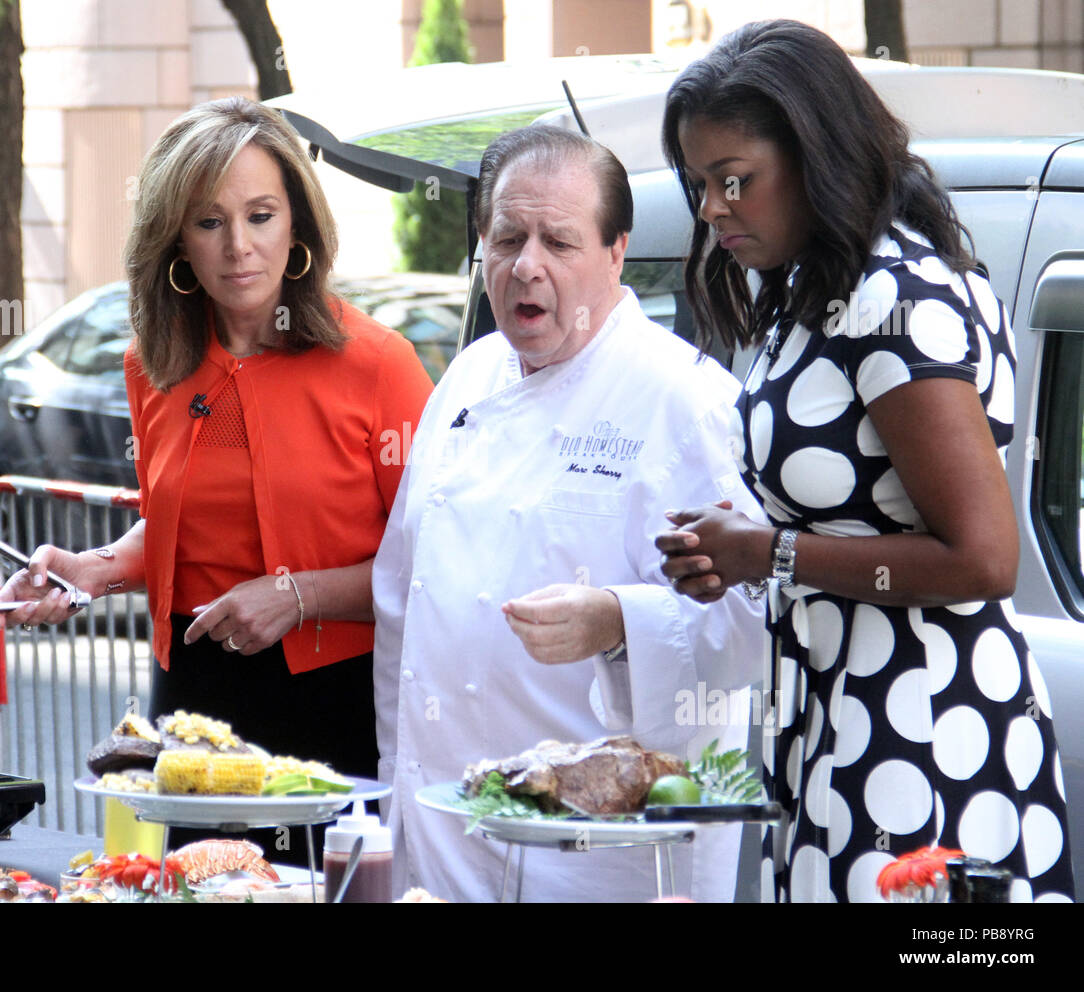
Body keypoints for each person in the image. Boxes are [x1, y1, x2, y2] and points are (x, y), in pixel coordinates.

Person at [652, 19, 1073, 902]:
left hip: (923, 735)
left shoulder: (893, 294)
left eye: (735, 180)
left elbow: (985, 559)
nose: (712, 208)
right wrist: (741, 554)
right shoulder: (814, 293)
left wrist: (768, 554)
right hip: (836, 720)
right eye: (699, 184)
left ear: (815, 156)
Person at [0, 99, 433, 859]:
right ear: (175, 240)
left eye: (260, 215)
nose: (239, 247)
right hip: (194, 704)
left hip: (337, 702)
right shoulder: (152, 364)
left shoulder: (378, 364)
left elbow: (433, 563)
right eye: (209, 222)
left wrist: (298, 596)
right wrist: (91, 571)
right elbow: (185, 525)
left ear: (297, 223)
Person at [372, 124, 766, 902]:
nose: (527, 265)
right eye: (507, 237)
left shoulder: (685, 398)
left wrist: (621, 619)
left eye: (559, 241)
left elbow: (755, 627)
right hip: (438, 822)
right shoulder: (467, 379)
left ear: (616, 253)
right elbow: (402, 600)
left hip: (597, 859)